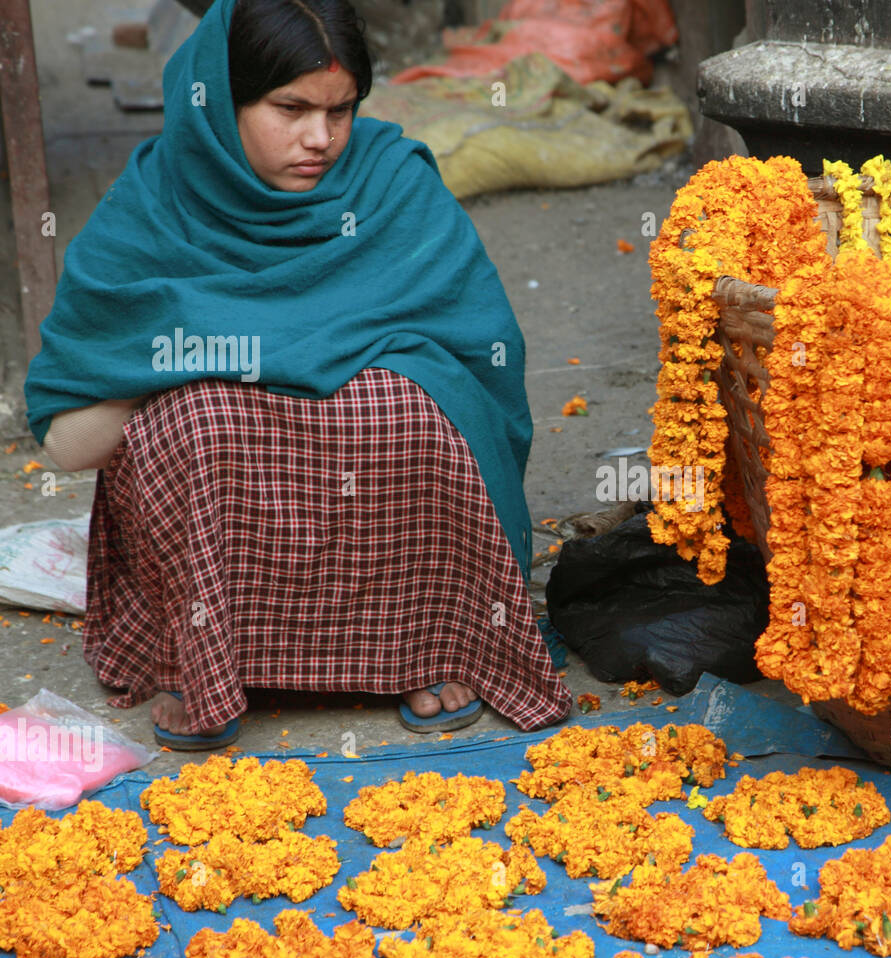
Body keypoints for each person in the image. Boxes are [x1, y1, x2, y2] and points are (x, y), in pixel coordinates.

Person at [23, 0, 572, 749]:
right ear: (220, 100)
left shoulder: (390, 185)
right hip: (222, 519)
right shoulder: (155, 207)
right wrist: (186, 351)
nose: (321, 139)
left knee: (410, 404)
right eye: (291, 109)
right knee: (198, 418)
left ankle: (422, 643)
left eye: (341, 111)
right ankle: (211, 659)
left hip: (383, 525)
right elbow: (65, 443)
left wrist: (286, 355)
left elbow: (482, 369)